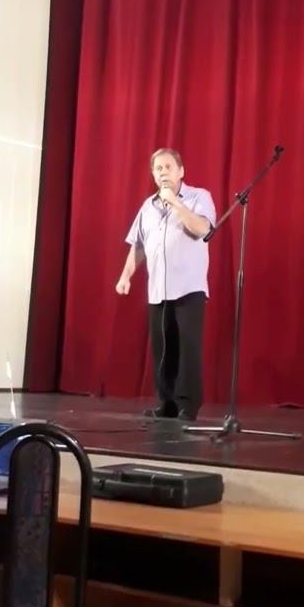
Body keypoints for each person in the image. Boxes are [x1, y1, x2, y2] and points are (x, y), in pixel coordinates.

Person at [115, 148, 217, 421]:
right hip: (158, 290)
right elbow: (138, 245)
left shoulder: (199, 197)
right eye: (158, 168)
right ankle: (167, 402)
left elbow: (203, 229)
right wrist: (125, 276)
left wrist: (175, 204)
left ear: (181, 171)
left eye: (168, 167)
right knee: (163, 348)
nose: (163, 172)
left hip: (189, 288)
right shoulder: (147, 207)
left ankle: (187, 405)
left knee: (187, 349)